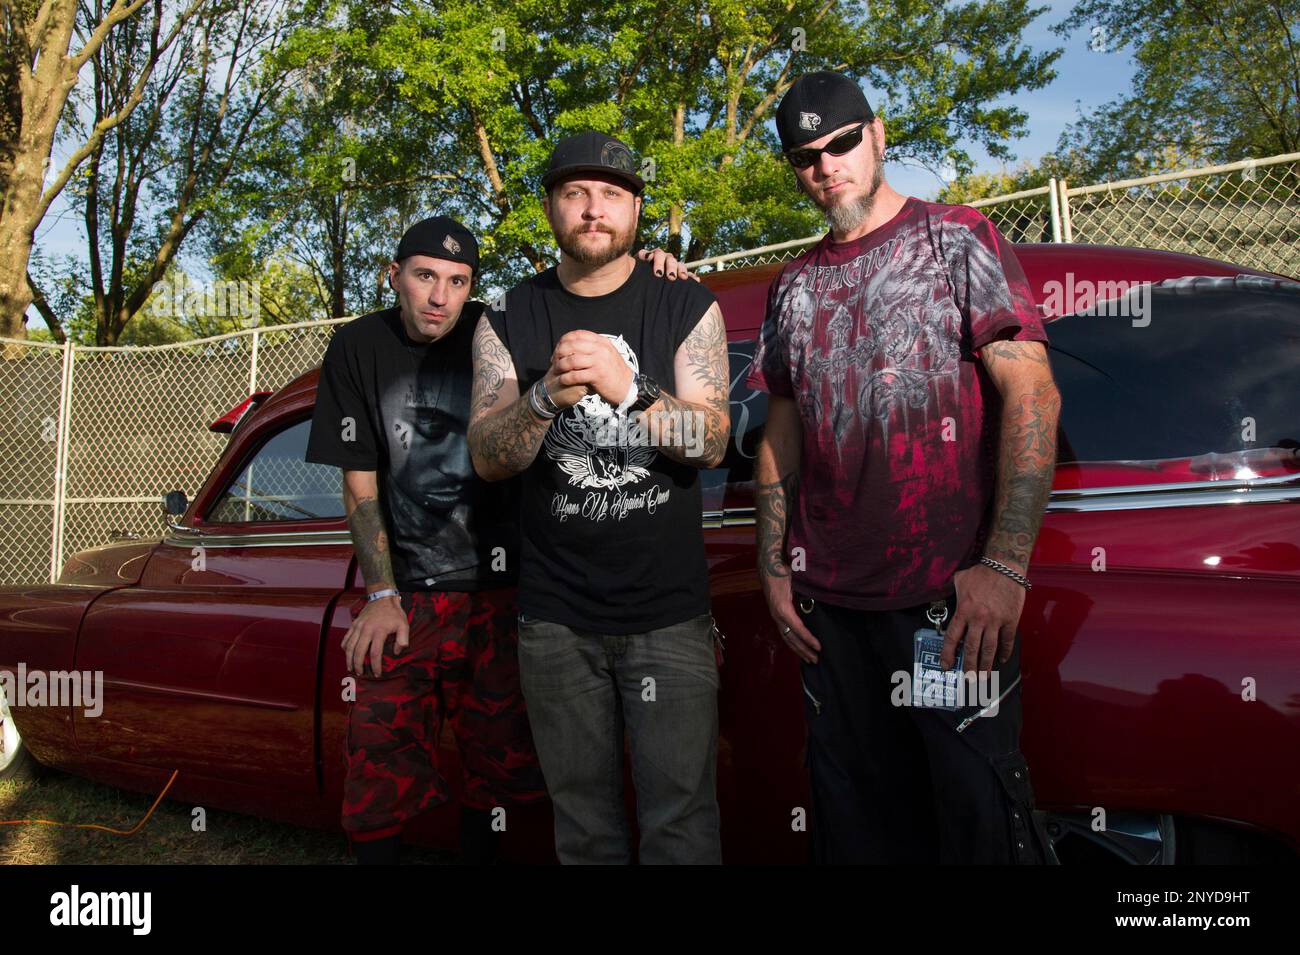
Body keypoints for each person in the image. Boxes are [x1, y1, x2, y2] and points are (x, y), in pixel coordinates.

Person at [305, 214, 696, 864]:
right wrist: (379, 590)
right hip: (410, 595)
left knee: (507, 774)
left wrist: (653, 268)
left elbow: (591, 305)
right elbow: (360, 485)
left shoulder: (501, 327)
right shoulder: (357, 347)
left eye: (458, 281)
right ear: (393, 275)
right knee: (376, 764)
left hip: (510, 590)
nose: (440, 296)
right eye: (425, 276)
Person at [748, 71, 1061, 864]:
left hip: (946, 611)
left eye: (843, 142)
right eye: (805, 156)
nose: (827, 165)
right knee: (856, 835)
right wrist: (773, 565)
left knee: (976, 824)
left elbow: (1031, 393)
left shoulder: (959, 238)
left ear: (878, 135)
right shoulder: (792, 287)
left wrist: (1005, 566)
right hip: (830, 617)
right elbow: (779, 430)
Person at [467, 131, 731, 864]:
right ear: (549, 206)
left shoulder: (684, 303)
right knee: (584, 831)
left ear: (637, 210)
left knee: (680, 826)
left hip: (669, 615)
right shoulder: (507, 317)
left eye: (611, 194)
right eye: (575, 193)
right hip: (555, 620)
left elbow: (711, 440)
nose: (593, 210)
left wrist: (631, 388)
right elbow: (487, 456)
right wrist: (545, 397)